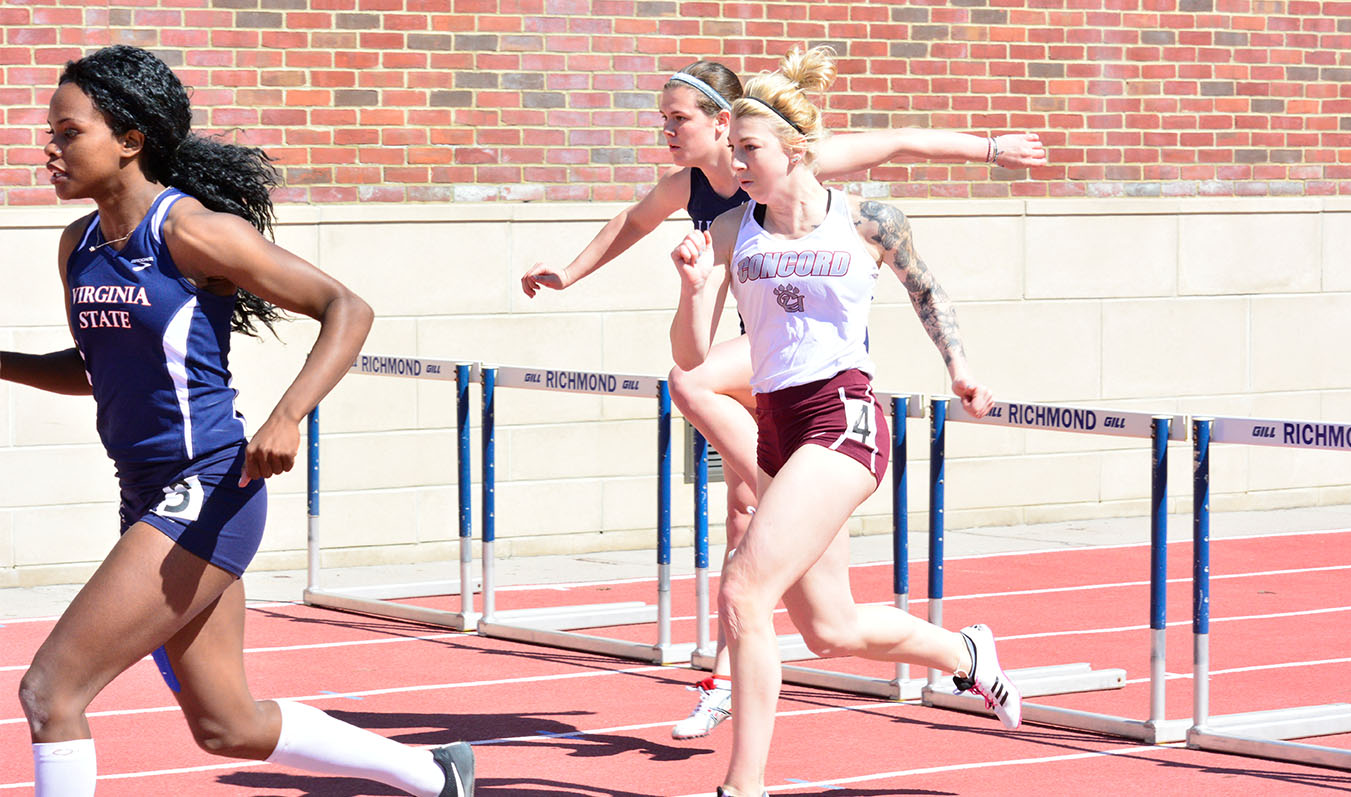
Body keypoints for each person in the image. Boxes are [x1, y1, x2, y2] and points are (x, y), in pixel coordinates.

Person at [521, 60, 1046, 740]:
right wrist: (568, 272)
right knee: (826, 621)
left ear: (721, 118)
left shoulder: (797, 156)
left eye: (677, 119)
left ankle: (736, 704)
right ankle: (956, 650)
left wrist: (991, 148)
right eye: (663, 122)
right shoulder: (689, 187)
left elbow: (899, 142)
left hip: (813, 359)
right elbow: (630, 221)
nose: (667, 133)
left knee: (696, 390)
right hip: (767, 360)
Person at [5, 46, 474, 797]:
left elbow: (346, 308)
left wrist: (288, 416)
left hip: (211, 487)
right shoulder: (80, 247)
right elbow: (95, 370)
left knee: (50, 693)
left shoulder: (190, 232)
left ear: (130, 140)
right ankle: (436, 774)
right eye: (48, 132)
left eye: (67, 132)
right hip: (147, 495)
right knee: (229, 727)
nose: (47, 148)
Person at [668, 46, 1021, 797]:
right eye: (732, 151)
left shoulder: (864, 219)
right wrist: (692, 290)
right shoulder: (735, 232)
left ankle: (743, 785)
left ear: (796, 151)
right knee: (830, 630)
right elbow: (694, 359)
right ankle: (966, 653)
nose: (737, 164)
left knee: (743, 592)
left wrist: (958, 367)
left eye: (750, 150)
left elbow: (929, 292)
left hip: (845, 417)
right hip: (778, 428)